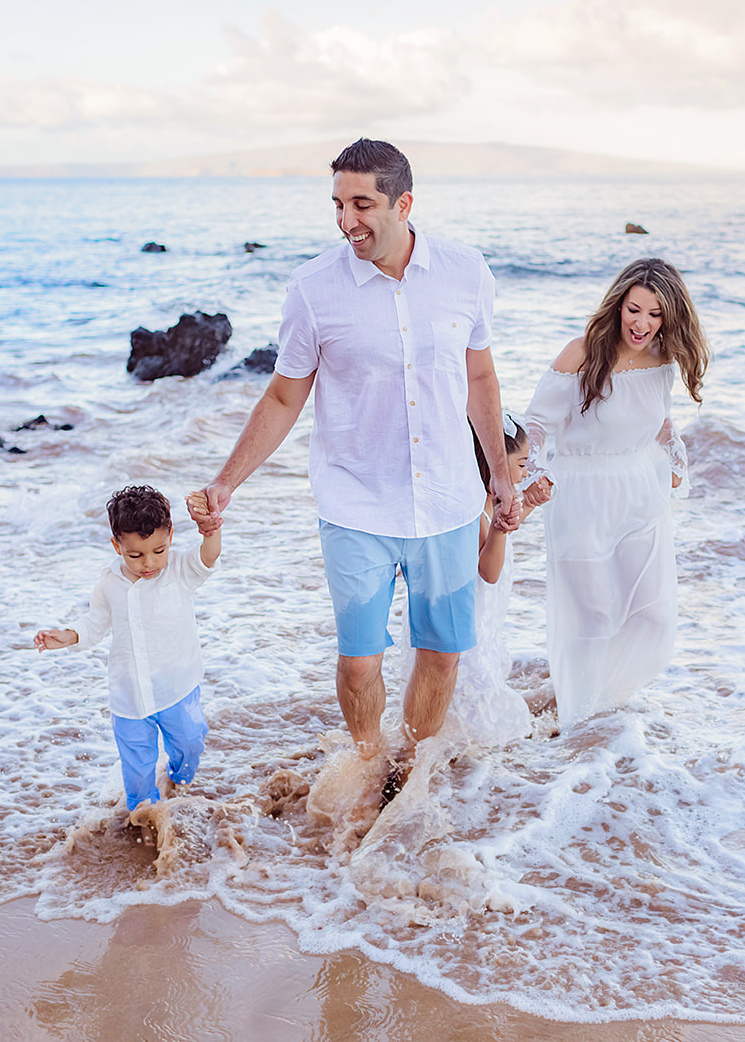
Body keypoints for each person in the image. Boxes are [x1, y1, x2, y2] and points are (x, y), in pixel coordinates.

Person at [190, 138, 521, 787]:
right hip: (355, 504)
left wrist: (501, 475)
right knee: (359, 664)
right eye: (337, 204)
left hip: (449, 498)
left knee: (443, 653)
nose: (347, 221)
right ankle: (370, 758)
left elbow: (479, 374)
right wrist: (226, 480)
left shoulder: (466, 272)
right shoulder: (315, 288)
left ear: (404, 203)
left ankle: (409, 769)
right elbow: (286, 393)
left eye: (361, 203)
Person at [521, 258, 709, 727]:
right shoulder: (581, 353)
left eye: (655, 314)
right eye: (633, 309)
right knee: (594, 619)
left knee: (653, 619)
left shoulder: (663, 359)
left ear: (669, 317)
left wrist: (675, 455)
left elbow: (658, 419)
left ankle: (595, 703)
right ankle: (576, 722)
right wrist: (530, 475)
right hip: (581, 496)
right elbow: (539, 424)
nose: (642, 323)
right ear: (618, 304)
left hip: (640, 493)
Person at [34, 484, 223, 810]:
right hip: (130, 697)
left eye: (158, 550)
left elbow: (209, 557)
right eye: (135, 554)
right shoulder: (109, 584)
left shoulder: (179, 570)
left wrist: (210, 531)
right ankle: (144, 815)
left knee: (190, 742)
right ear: (116, 545)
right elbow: (94, 624)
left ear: (170, 538)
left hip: (177, 687)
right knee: (137, 767)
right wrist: (68, 636)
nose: (148, 562)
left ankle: (179, 781)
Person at [446, 412, 536, 747]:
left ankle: (463, 745)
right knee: (474, 689)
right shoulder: (475, 512)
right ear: (492, 464)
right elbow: (490, 570)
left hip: (481, 619)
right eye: (522, 463)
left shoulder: (486, 503)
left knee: (478, 685)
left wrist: (529, 508)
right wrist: (501, 526)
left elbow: (502, 529)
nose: (526, 472)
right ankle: (463, 749)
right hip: (467, 623)